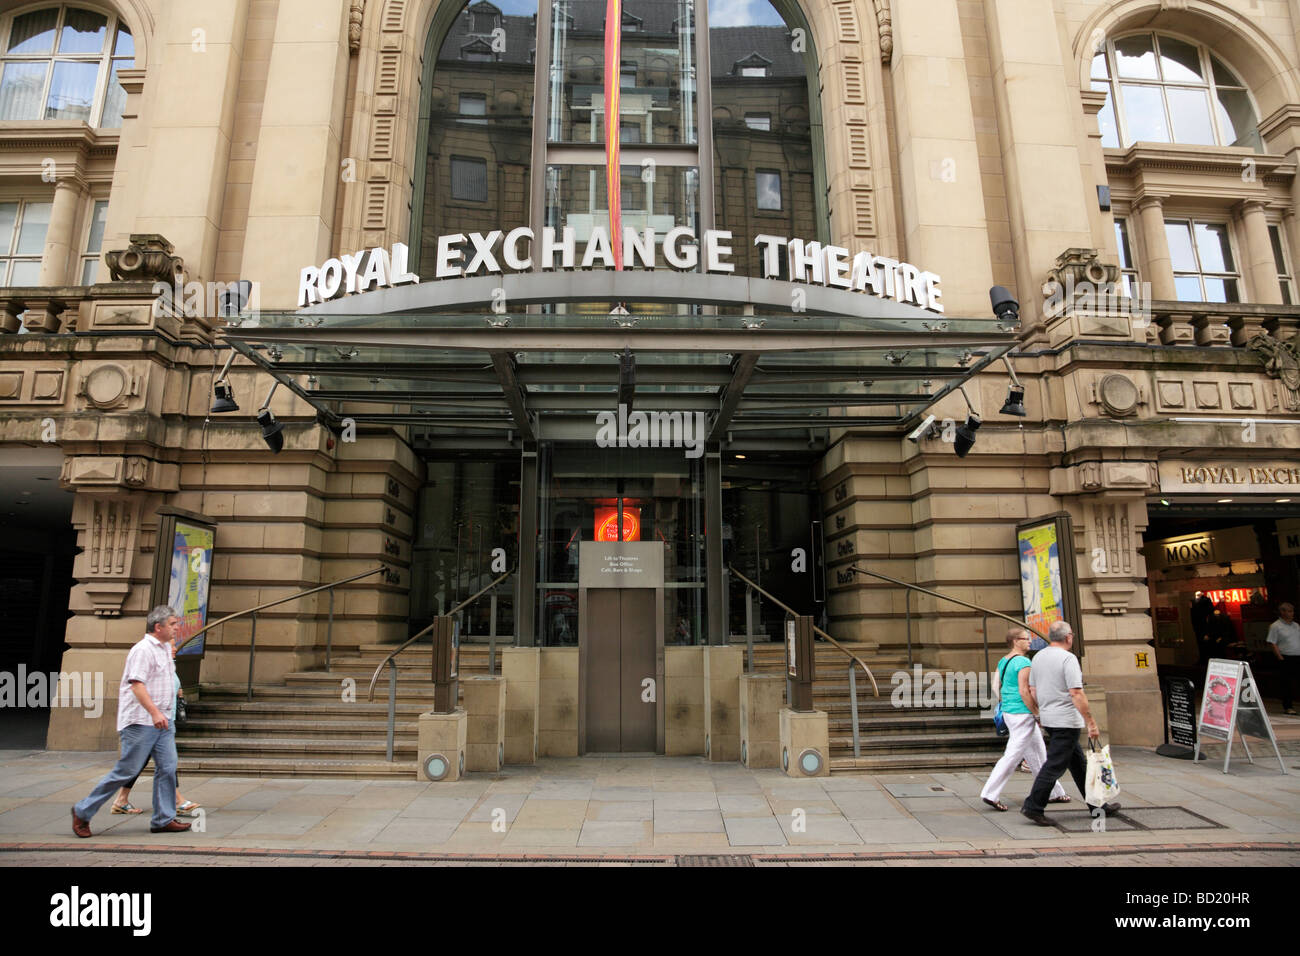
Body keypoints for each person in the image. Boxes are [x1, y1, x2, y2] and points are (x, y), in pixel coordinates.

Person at [71, 606, 192, 837]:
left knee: (167, 768)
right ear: (159, 627)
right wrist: (155, 712)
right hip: (141, 721)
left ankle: (163, 819)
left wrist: (165, 713)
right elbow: (137, 685)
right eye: (173, 624)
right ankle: (83, 811)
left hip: (163, 721)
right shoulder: (143, 650)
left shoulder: (165, 648)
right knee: (126, 770)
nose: (177, 628)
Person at [1020, 619, 1120, 826]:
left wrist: (1043, 710)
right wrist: (1091, 721)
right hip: (1066, 720)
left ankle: (1097, 806)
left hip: (1049, 718)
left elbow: (1033, 690)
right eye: (1072, 635)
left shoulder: (1038, 658)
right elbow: (1076, 692)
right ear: (1068, 637)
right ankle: (1033, 806)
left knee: (1078, 765)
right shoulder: (1068, 659)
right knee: (1055, 765)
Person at [110, 631, 201, 817]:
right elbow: (139, 688)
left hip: (163, 722)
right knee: (162, 763)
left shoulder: (168, 665)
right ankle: (176, 801)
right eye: (172, 645)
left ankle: (121, 800)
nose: (175, 649)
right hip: (150, 723)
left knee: (154, 763)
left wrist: (178, 691)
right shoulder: (149, 659)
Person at [980, 628, 1068, 811]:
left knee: (1038, 753)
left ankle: (1054, 792)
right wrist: (1036, 713)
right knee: (1012, 755)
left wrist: (1006, 702)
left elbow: (996, 686)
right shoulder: (1023, 662)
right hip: (1022, 713)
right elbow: (1025, 690)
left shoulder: (1004, 660)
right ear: (1015, 641)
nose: (1029, 641)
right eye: (1025, 639)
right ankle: (990, 793)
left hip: (1010, 711)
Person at [1267, 602, 1300, 716]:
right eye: (1289, 611)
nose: (1292, 614)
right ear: (1282, 612)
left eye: (1292, 611)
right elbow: (1272, 642)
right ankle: (1288, 706)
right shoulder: (1276, 626)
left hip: (1298, 656)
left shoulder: (1296, 625)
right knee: (1287, 683)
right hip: (1285, 657)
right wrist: (1280, 657)